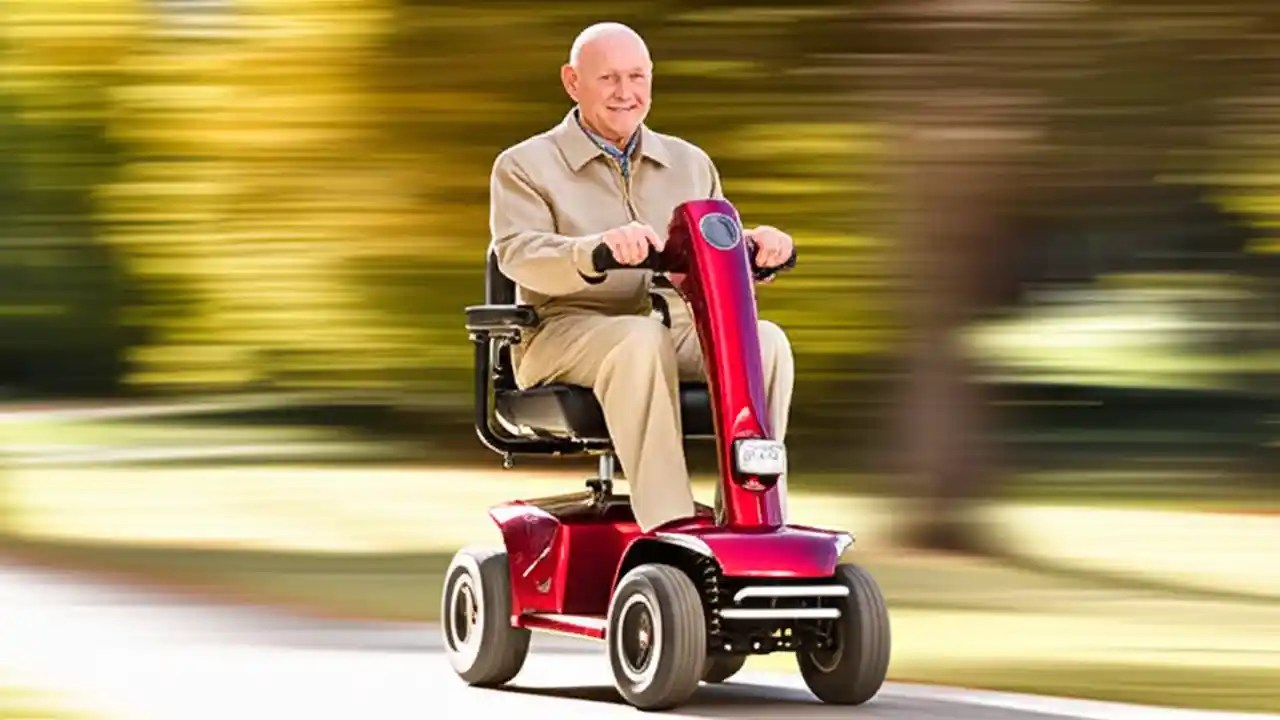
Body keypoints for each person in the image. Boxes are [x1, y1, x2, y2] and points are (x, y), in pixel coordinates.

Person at [488, 21, 796, 532]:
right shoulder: (524, 165)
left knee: (764, 342)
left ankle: (753, 519)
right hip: (564, 330)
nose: (626, 93)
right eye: (608, 78)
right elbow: (519, 255)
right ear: (572, 82)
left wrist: (754, 251)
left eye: (637, 76)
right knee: (639, 339)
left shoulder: (689, 163)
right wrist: (596, 251)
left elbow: (705, 259)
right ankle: (670, 528)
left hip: (669, 323)